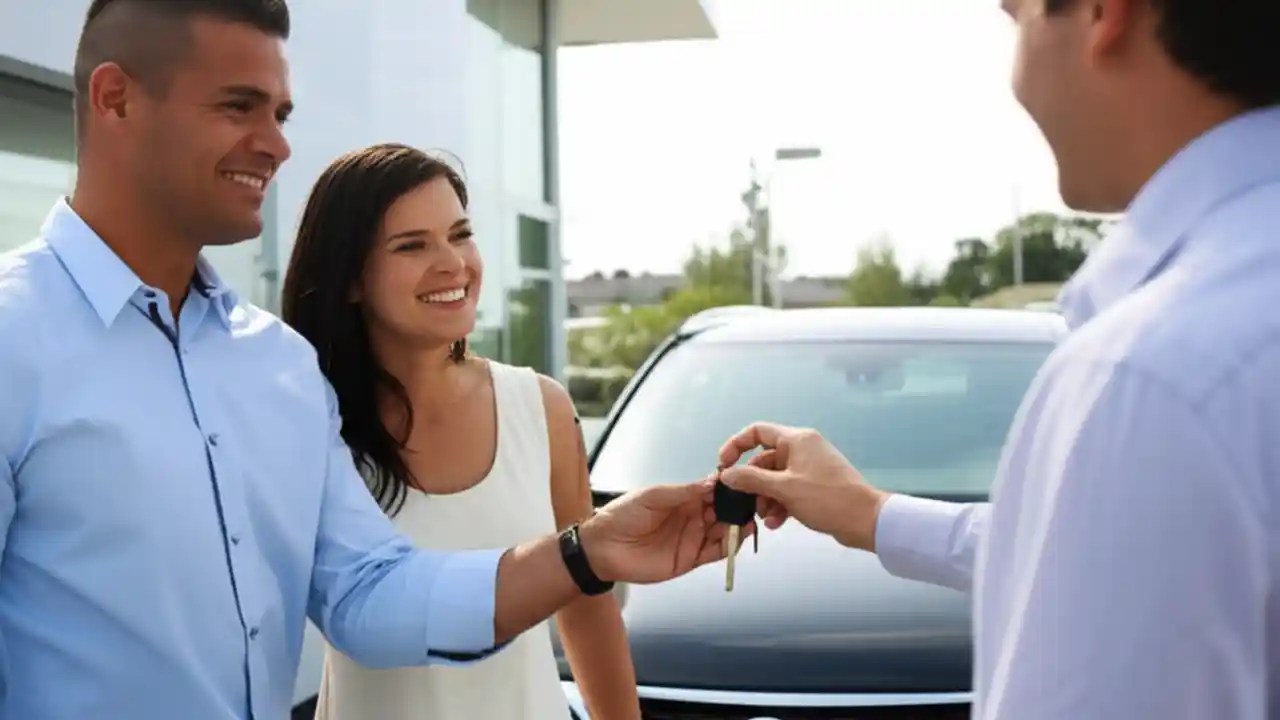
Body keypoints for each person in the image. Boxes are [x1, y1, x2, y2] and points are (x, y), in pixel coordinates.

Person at [0, 3, 745, 719]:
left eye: (280, 115)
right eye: (238, 106)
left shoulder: (280, 369)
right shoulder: (13, 341)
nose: (277, 144)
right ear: (116, 100)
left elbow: (366, 591)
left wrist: (588, 552)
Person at [715, 1, 1280, 718]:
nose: (1004, 8)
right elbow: (1096, 566)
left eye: (1018, 7)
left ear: (1105, 12)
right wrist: (872, 513)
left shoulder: (1151, 381)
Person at [278, 143, 641, 719]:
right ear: (349, 279)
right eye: (412, 245)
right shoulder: (307, 424)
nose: (453, 263)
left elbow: (586, 602)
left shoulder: (539, 407)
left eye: (461, 234)